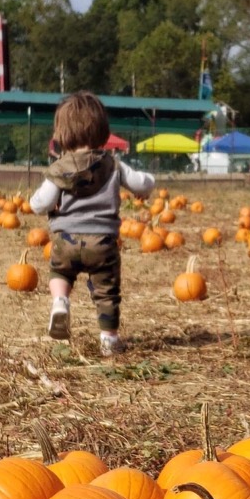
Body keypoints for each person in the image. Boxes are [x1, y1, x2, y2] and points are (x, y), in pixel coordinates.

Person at [28, 92, 155, 356]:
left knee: (60, 274)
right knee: (107, 292)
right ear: (102, 131)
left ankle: (60, 301)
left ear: (61, 133)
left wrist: (44, 205)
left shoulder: (59, 169)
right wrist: (148, 186)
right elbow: (141, 183)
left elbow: (40, 203)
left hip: (66, 241)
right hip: (104, 243)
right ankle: (109, 340)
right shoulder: (113, 164)